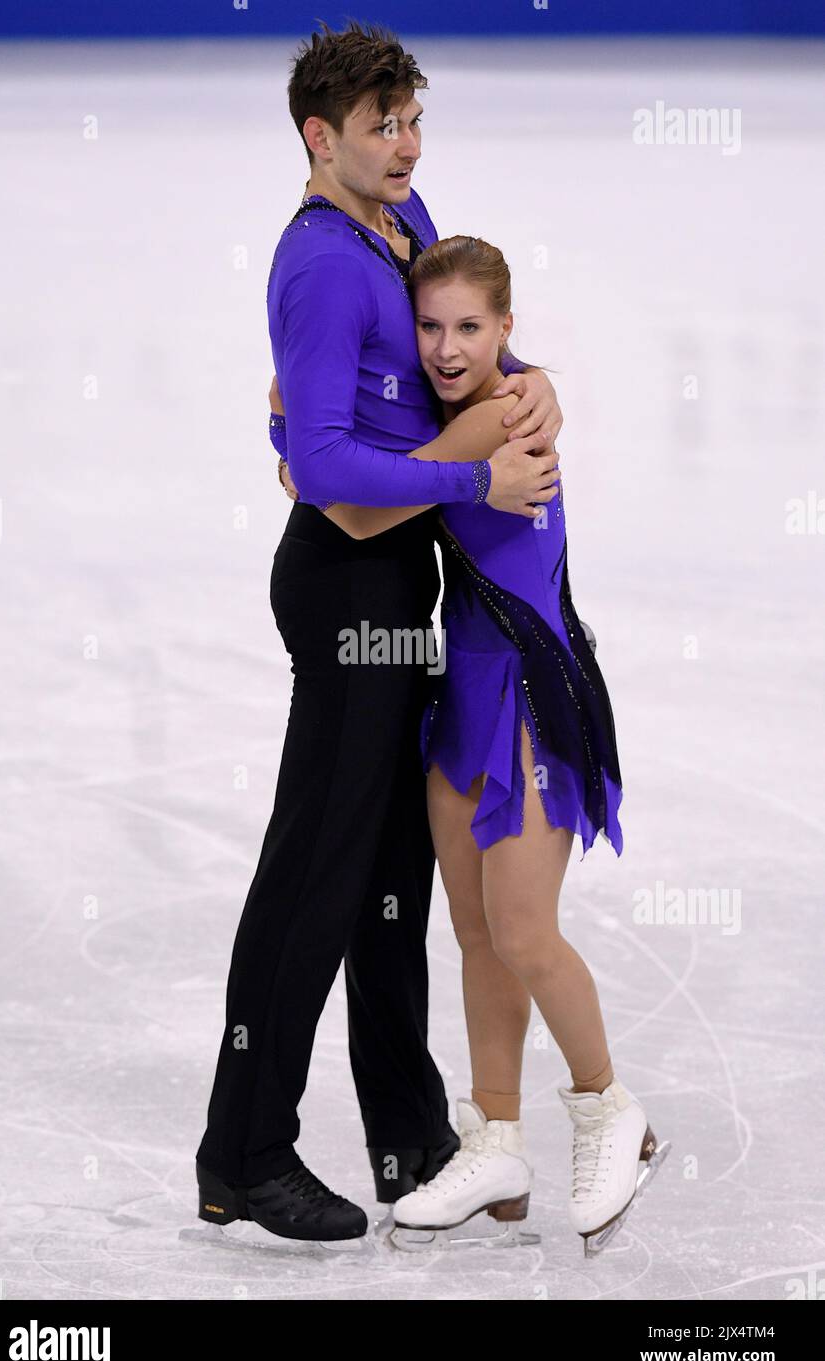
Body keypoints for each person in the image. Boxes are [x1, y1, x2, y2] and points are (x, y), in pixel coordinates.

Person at [195, 19, 563, 1244]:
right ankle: (244, 1150)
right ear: (320, 138)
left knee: (390, 875)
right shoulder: (318, 263)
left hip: (404, 589)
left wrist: (527, 372)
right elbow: (331, 476)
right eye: (378, 126)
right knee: (318, 866)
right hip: (349, 591)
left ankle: (408, 1137)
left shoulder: (398, 223)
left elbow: (447, 353)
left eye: (411, 120)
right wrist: (475, 481)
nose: (404, 144)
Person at [274, 234, 670, 1259]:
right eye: (429, 326)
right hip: (462, 698)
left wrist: (293, 447)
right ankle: (494, 1134)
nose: (446, 347)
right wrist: (305, 453)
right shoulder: (458, 414)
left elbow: (358, 503)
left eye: (468, 326)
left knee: (524, 929)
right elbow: (375, 476)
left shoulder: (501, 410)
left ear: (504, 328)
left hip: (532, 693)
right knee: (478, 933)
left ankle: (605, 1107)